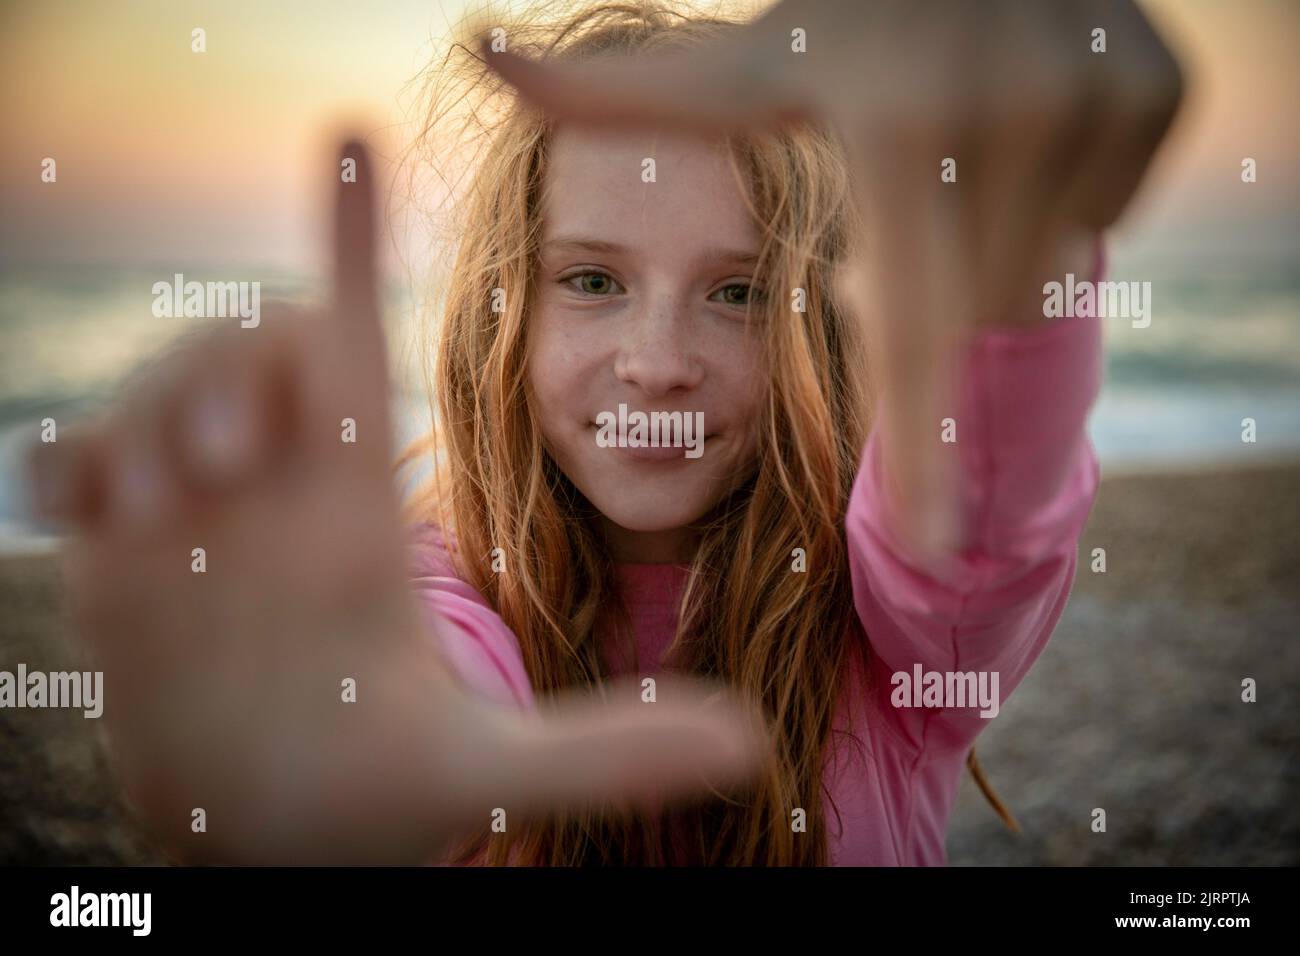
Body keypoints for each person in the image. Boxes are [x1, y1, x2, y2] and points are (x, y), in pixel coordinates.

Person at [30, 0, 1183, 865]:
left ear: (820, 330)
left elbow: (977, 509)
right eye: (591, 278)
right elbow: (429, 679)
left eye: (737, 292)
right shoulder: (446, 601)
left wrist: (1014, 262)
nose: (659, 359)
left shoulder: (897, 641)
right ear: (502, 314)